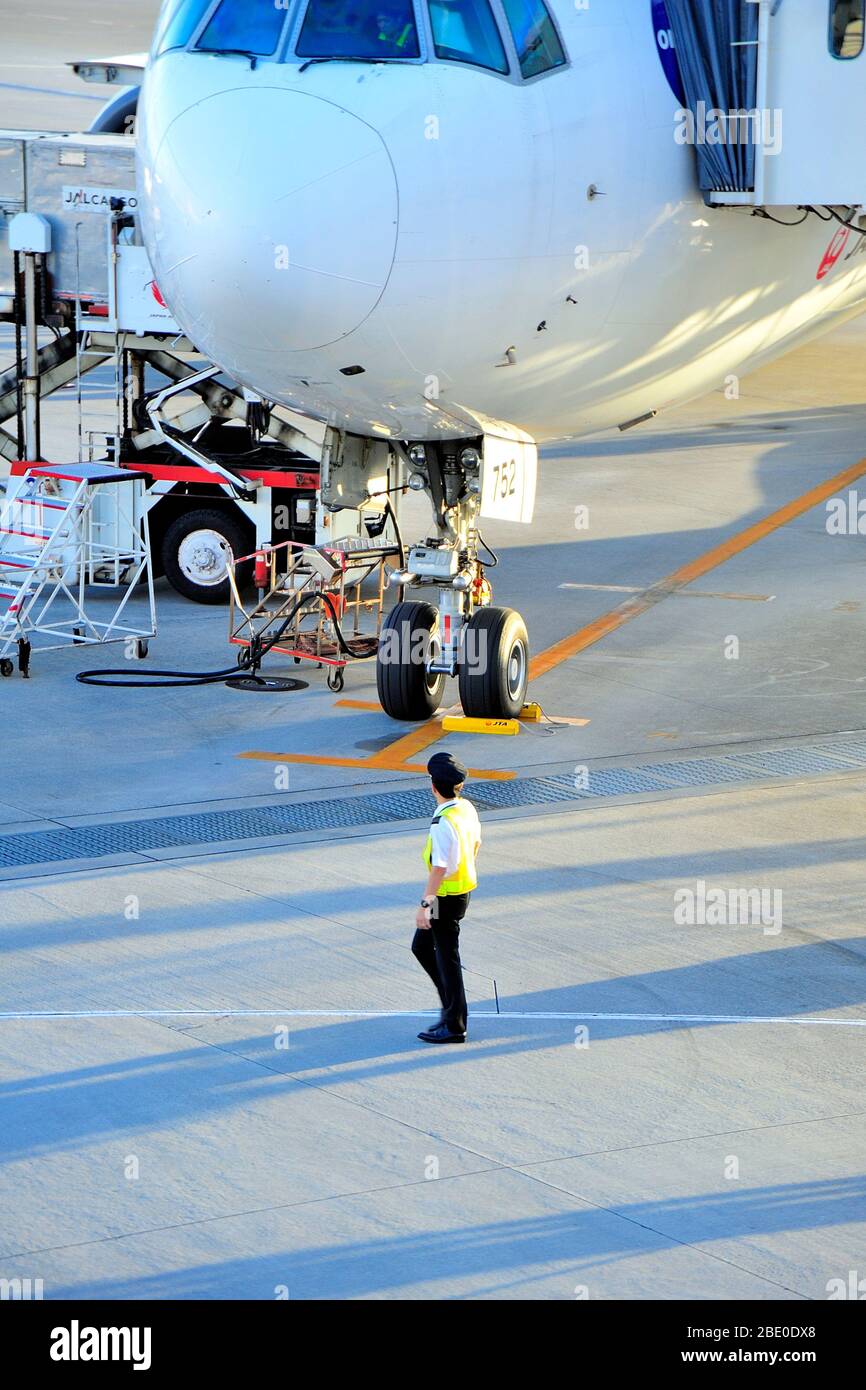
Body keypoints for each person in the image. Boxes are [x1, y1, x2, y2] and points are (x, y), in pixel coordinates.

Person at [412, 751, 481, 1044]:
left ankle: (454, 1024)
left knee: (447, 958)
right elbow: (476, 844)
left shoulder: (442, 823)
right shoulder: (465, 809)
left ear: (433, 786)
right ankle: (450, 1008)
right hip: (461, 892)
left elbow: (439, 867)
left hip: (445, 898)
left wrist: (426, 905)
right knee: (423, 948)